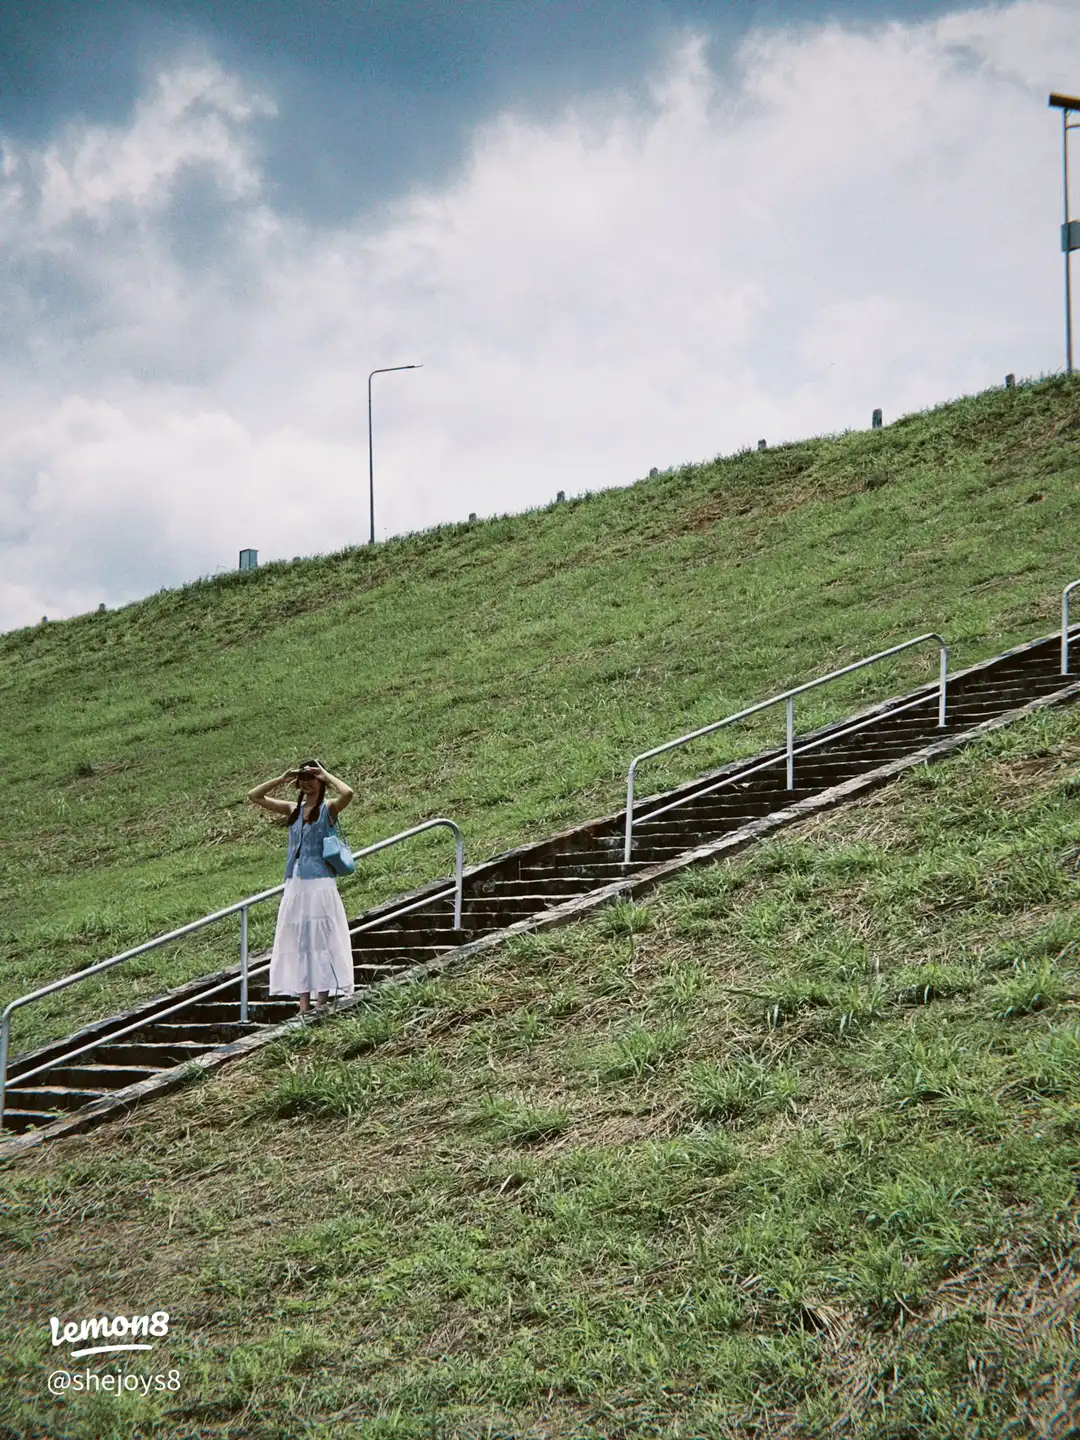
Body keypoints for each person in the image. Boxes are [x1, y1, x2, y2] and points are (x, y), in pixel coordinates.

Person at [247, 759, 357, 1017]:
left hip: (319, 880)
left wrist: (327, 775)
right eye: (303, 779)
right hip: (295, 879)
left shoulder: (328, 809)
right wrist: (282, 778)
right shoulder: (294, 809)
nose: (307, 783)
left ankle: (322, 1000)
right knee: (300, 939)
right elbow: (255, 795)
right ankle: (304, 1003)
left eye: (311, 778)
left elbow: (348, 793)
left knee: (321, 937)